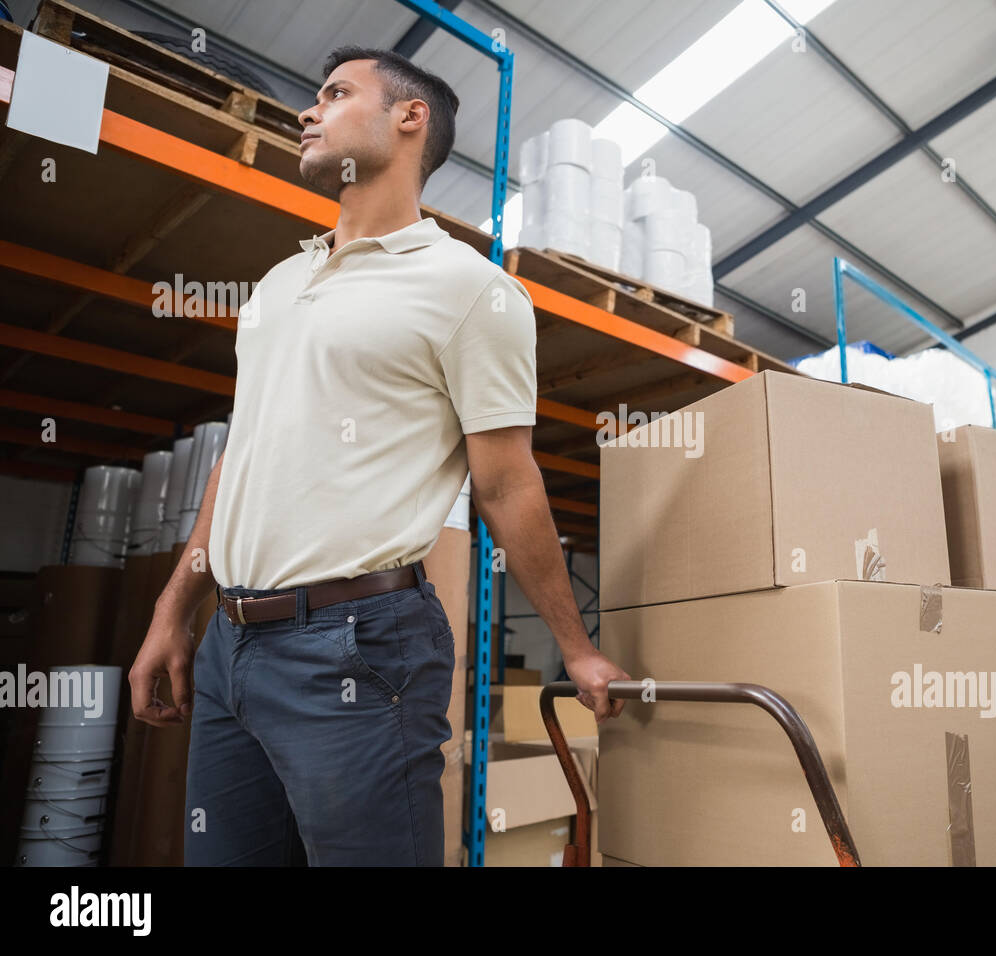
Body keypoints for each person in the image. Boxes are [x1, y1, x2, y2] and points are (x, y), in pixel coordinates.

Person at [128, 45, 628, 866]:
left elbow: (504, 481)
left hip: (356, 645)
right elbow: (240, 459)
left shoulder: (473, 290)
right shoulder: (279, 283)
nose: (306, 110)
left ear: (409, 117)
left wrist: (575, 648)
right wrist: (173, 610)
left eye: (334, 93)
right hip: (230, 645)